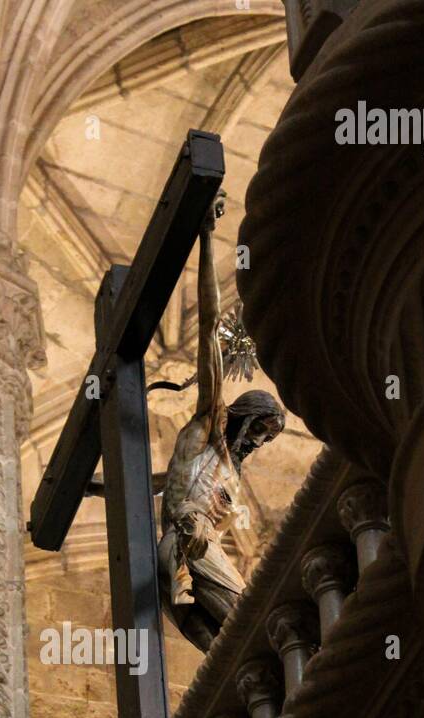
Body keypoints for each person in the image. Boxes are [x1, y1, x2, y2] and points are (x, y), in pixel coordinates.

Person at [157, 195, 285, 652]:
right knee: (254, 633)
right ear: (241, 416)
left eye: (267, 439)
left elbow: (159, 481)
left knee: (223, 656)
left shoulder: (229, 468)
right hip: (190, 545)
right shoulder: (208, 428)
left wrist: (101, 487)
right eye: (258, 430)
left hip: (186, 552)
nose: (258, 443)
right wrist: (206, 236)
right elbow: (211, 326)